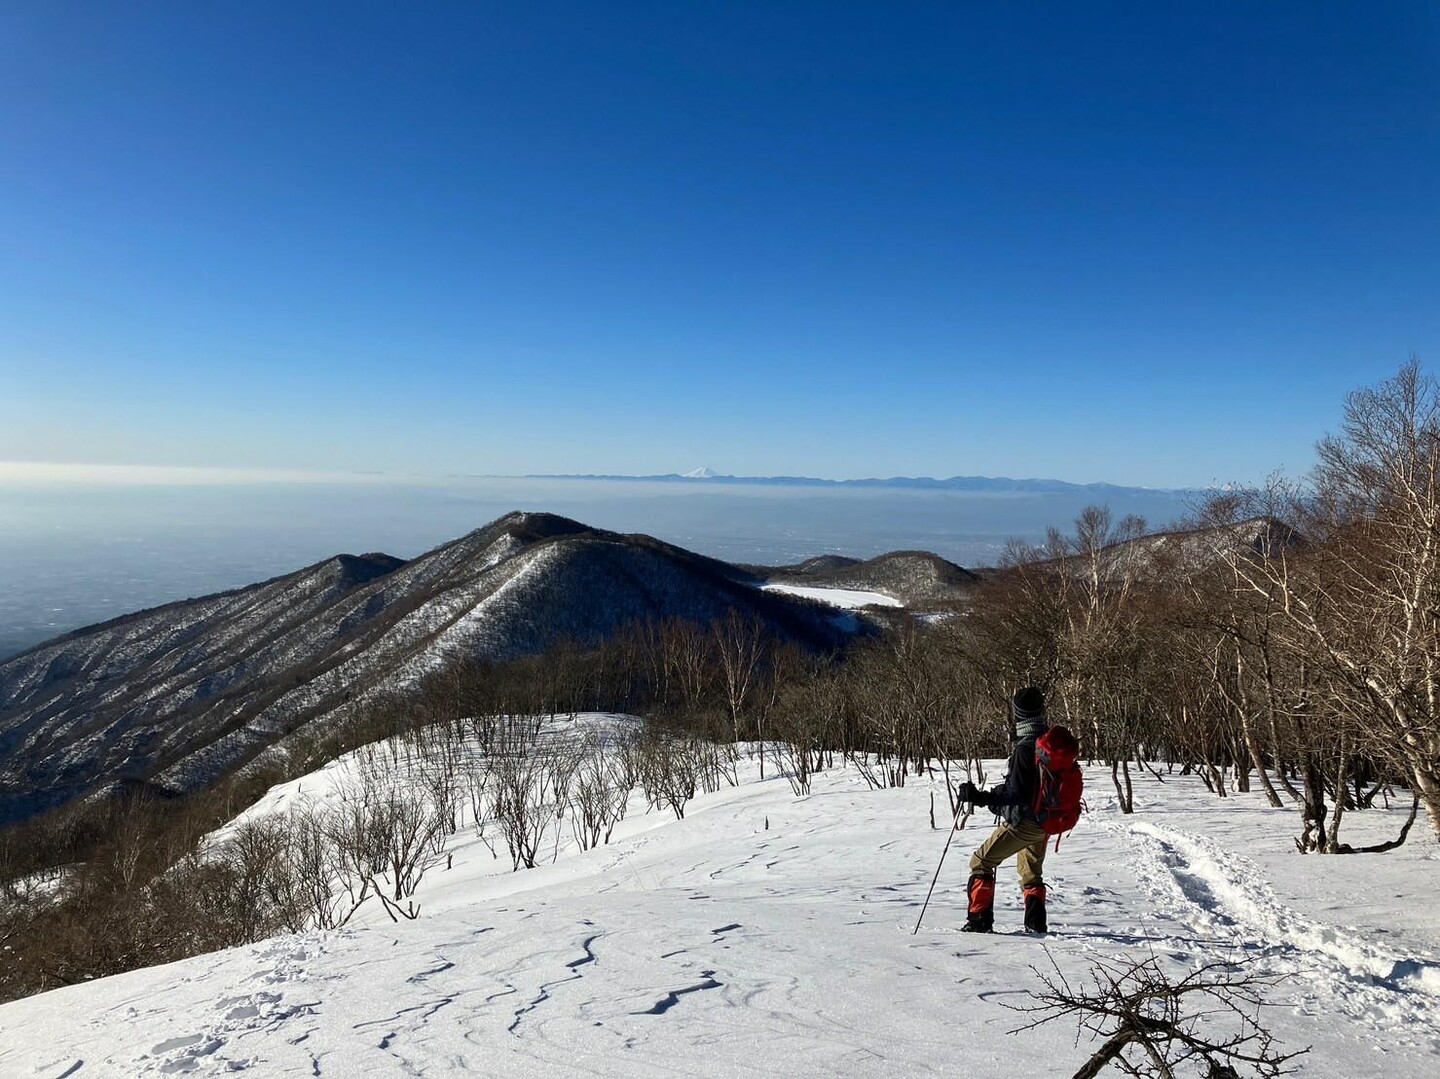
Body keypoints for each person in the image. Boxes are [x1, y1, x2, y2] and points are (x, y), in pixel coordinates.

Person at [956, 686, 1051, 934]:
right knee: (1030, 872)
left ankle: (979, 922)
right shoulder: (1047, 740)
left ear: (1018, 714)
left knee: (981, 862)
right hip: (1047, 820)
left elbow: (1015, 795)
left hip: (1026, 821)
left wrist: (979, 797)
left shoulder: (1025, 747)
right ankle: (1035, 924)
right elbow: (1024, 787)